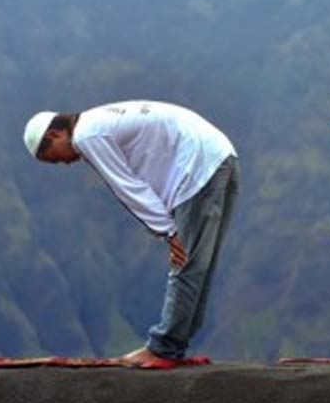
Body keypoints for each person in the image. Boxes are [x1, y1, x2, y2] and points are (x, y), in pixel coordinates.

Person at [23, 100, 239, 364]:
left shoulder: (87, 136)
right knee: (199, 264)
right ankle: (177, 343)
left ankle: (163, 348)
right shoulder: (97, 120)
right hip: (221, 156)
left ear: (54, 134)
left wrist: (167, 231)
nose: (65, 164)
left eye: (55, 158)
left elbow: (126, 187)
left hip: (197, 166)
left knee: (184, 261)